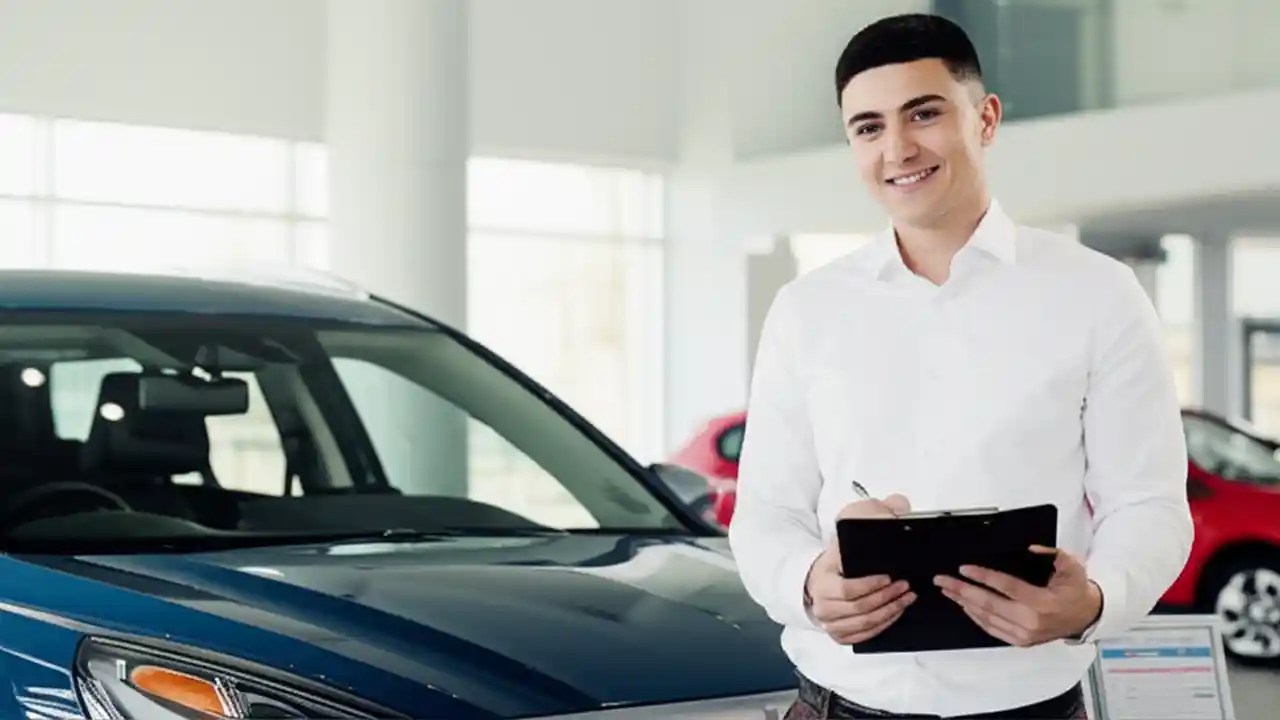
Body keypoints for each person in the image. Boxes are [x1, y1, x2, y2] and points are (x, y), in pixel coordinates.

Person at [727, 13, 1193, 720]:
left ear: (986, 118)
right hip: (834, 707)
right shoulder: (806, 310)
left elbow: (1149, 505)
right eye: (869, 127)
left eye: (924, 114)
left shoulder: (1097, 294)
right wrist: (805, 582)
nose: (898, 147)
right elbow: (766, 512)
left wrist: (1095, 600)